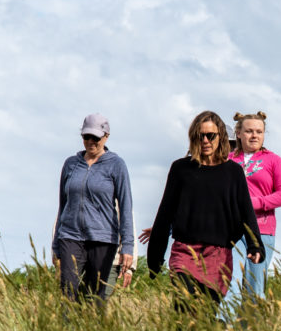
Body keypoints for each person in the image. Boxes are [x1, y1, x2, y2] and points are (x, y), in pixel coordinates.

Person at [146, 112, 263, 315]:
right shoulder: (181, 169)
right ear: (193, 138)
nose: (206, 141)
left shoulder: (233, 172)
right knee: (184, 305)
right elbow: (165, 212)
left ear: (222, 138)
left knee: (205, 315)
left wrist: (255, 244)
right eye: (201, 136)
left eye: (211, 136)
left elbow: (246, 211)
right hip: (185, 251)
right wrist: (155, 257)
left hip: (218, 255)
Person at [51, 113, 134, 305]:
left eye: (95, 138)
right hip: (70, 236)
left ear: (106, 136)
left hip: (103, 239)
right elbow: (63, 205)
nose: (90, 142)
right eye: (86, 137)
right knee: (68, 294)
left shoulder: (116, 165)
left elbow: (126, 205)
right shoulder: (71, 164)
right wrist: (56, 244)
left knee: (94, 298)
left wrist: (127, 246)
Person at [219, 111, 281, 321]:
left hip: (262, 230)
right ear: (238, 133)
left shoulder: (274, 161)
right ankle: (224, 329)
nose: (254, 136)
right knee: (231, 280)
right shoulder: (227, 160)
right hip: (231, 231)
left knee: (254, 287)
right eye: (249, 131)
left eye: (259, 132)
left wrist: (254, 203)